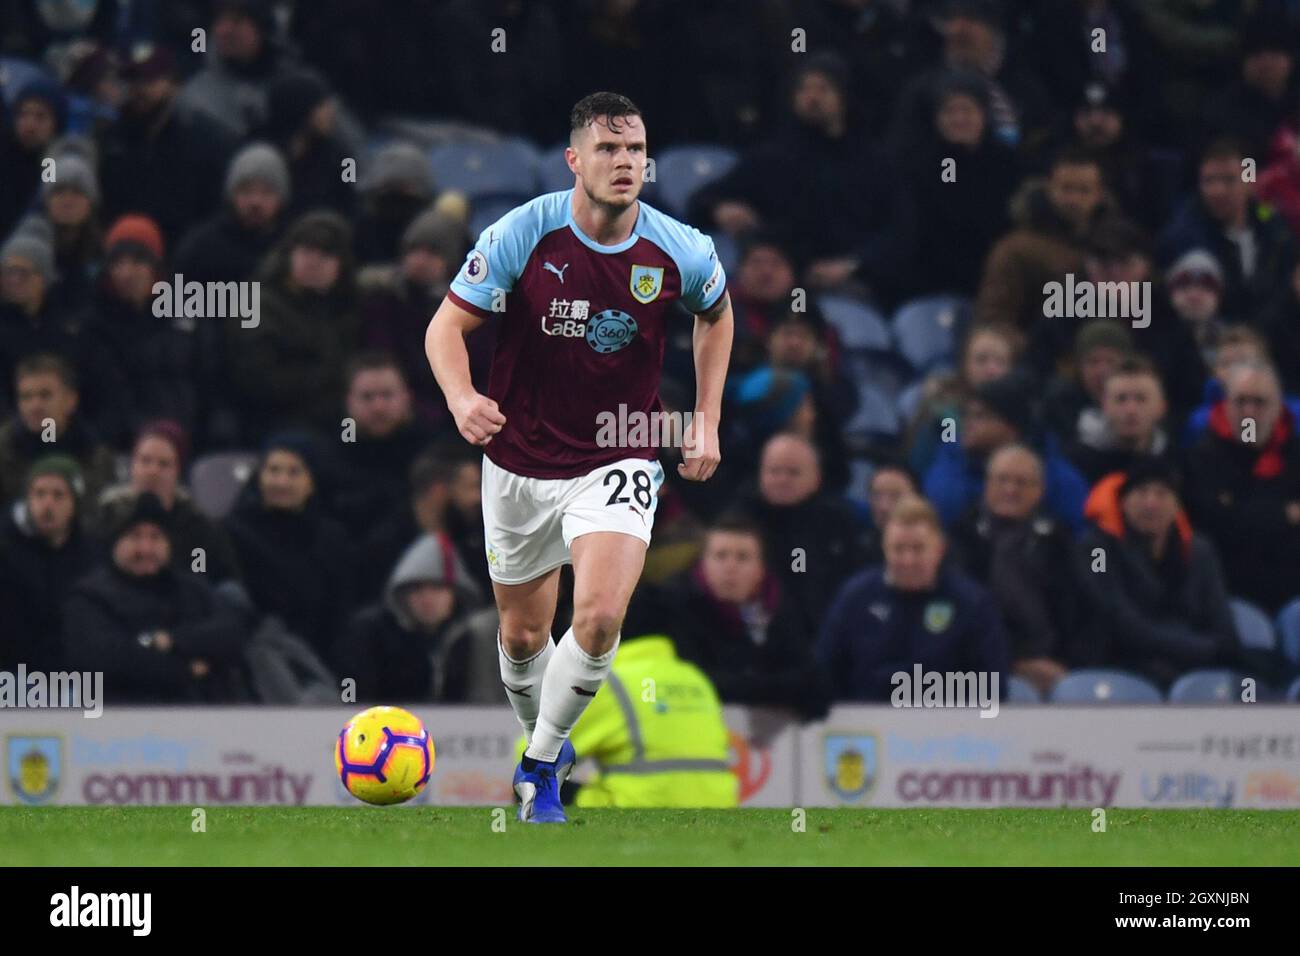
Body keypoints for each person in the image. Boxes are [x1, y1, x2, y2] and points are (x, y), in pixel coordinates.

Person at [425, 92, 732, 823]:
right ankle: (546, 748)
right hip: (519, 461)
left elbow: (716, 317)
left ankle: (537, 766)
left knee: (594, 618)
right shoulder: (521, 234)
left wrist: (707, 420)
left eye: (635, 151)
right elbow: (444, 329)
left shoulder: (679, 247)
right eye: (608, 150)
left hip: (620, 449)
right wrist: (463, 399)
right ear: (575, 160)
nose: (625, 163)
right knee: (523, 635)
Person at [515, 630, 738, 810]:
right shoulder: (693, 676)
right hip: (720, 804)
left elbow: (533, 751)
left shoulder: (611, 681)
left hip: (640, 804)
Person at [62, 492, 251, 703]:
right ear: (115, 543)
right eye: (135, 536)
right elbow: (102, 657)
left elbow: (232, 630)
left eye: (155, 537)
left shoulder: (193, 589)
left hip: (204, 715)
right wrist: (184, 669)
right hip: (123, 716)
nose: (146, 548)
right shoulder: (90, 596)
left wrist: (172, 641)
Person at [817, 496, 1008, 703]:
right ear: (884, 548)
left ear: (939, 549)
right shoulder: (856, 597)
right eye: (898, 549)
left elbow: (991, 686)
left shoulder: (972, 603)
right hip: (867, 723)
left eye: (918, 549)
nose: (908, 560)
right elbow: (825, 672)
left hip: (946, 724)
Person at [1076, 458, 1239, 687]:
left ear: (1176, 506)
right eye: (1141, 493)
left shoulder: (1199, 551)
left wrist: (1217, 650)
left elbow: (1222, 624)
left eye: (1162, 494)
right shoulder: (1097, 550)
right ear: (1123, 502)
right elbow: (1119, 622)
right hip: (1120, 662)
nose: (1151, 503)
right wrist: (1203, 649)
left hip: (1194, 660)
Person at [662, 513, 830, 721]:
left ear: (760, 569)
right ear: (702, 564)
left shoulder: (780, 610)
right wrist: (771, 687)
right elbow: (692, 680)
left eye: (742, 557)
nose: (730, 567)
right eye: (720, 556)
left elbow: (813, 683)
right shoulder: (673, 605)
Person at [950, 445, 1078, 696]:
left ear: (1039, 491)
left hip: (1055, 666)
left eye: (1021, 482)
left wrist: (1065, 664)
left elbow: (1078, 611)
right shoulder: (961, 537)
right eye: (1002, 480)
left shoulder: (1059, 540)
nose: (1010, 490)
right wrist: (1015, 662)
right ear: (987, 485)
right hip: (982, 669)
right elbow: (963, 616)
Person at [1183, 361, 1300, 614]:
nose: (1249, 411)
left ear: (1279, 406)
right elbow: (1214, 527)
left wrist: (1239, 511)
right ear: (1226, 405)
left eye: (1259, 402)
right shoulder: (1201, 458)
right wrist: (1285, 514)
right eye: (1240, 401)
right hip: (1230, 596)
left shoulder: (1295, 455)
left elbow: (1232, 519)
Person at [333, 532, 485, 703]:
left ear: (457, 593)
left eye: (437, 587)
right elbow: (351, 694)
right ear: (402, 594)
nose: (427, 599)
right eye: (418, 588)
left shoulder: (469, 639)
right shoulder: (369, 635)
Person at [96, 420, 241, 585]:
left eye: (164, 464)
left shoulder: (198, 528)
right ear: (132, 467)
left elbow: (205, 575)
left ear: (178, 472)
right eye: (145, 461)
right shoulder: (108, 517)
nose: (153, 471)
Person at [0, 456, 101, 672]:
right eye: (39, 494)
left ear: (75, 504)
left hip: (75, 679)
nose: (47, 503)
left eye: (58, 495)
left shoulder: (92, 555)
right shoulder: (6, 552)